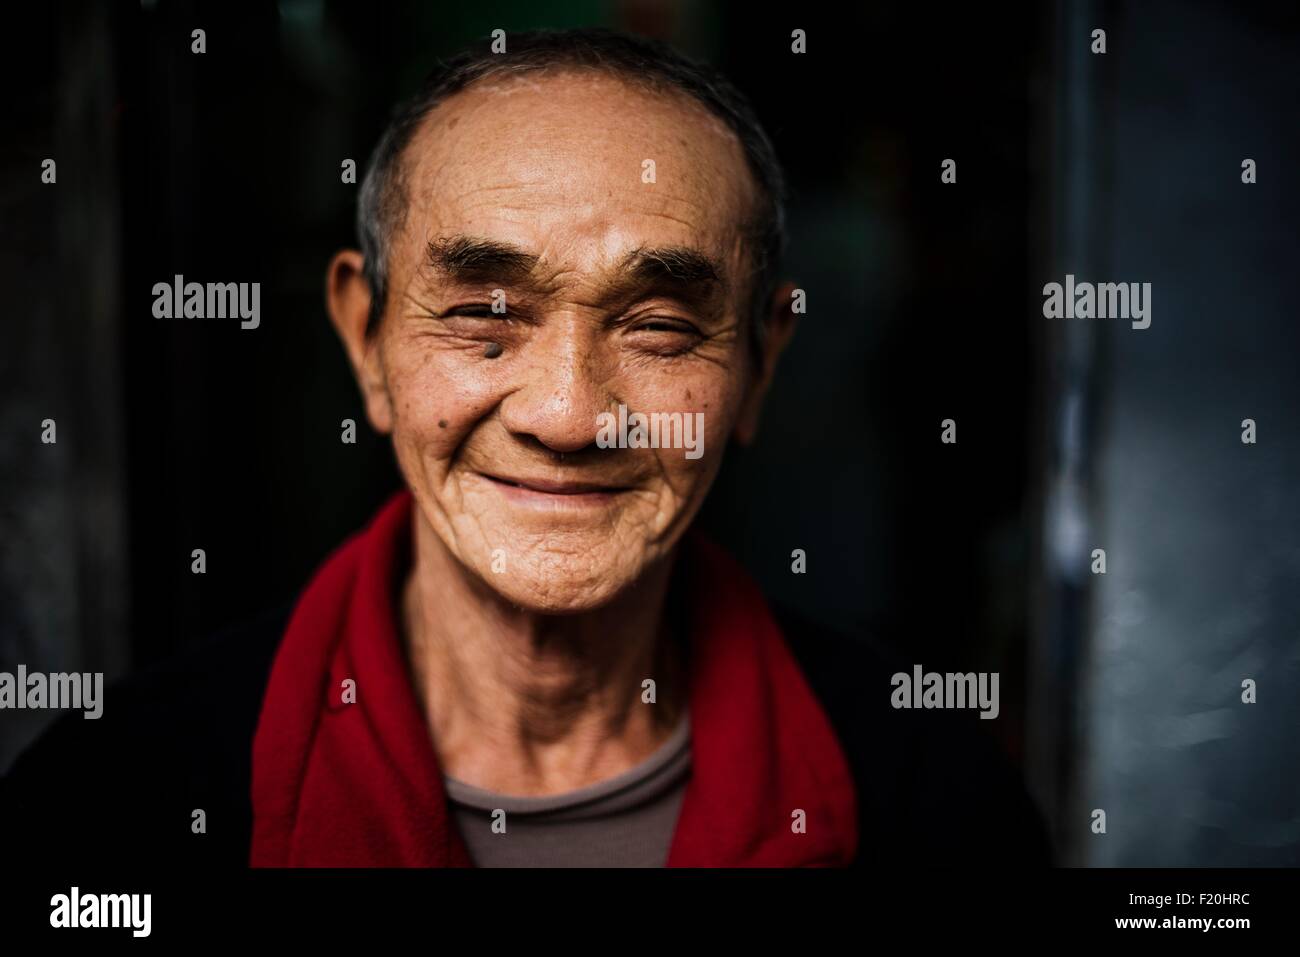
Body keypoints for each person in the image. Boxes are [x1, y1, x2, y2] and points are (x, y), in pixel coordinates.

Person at [2, 27, 1049, 868]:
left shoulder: (933, 802)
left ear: (758, 365)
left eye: (660, 327)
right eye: (480, 316)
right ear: (366, 341)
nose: (565, 415)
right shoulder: (115, 803)